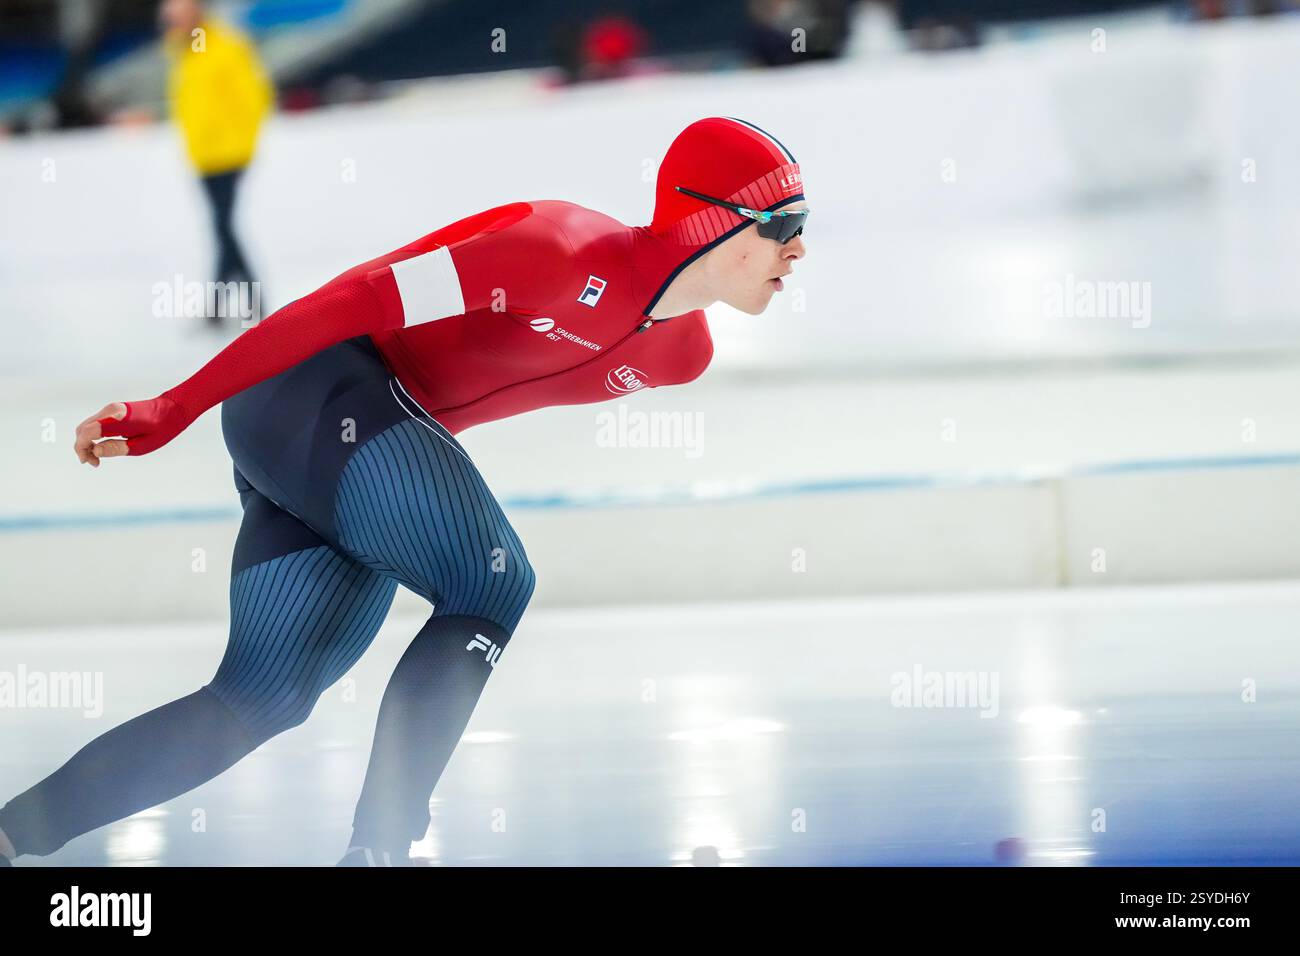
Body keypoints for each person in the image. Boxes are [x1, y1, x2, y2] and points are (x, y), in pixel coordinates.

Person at [0, 116, 808, 867]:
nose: (798, 249)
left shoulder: (682, 355)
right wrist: (174, 406)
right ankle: (381, 850)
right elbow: (348, 299)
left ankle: (14, 832)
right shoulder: (557, 248)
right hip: (315, 391)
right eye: (782, 225)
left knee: (261, 698)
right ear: (713, 221)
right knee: (491, 577)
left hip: (351, 443)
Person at [160, 0, 273, 326]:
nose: (171, 20)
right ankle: (242, 304)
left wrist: (243, 143)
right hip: (203, 155)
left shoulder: (226, 46)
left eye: (177, 14)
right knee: (223, 228)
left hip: (229, 154)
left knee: (223, 226)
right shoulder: (183, 51)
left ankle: (227, 305)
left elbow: (254, 97)